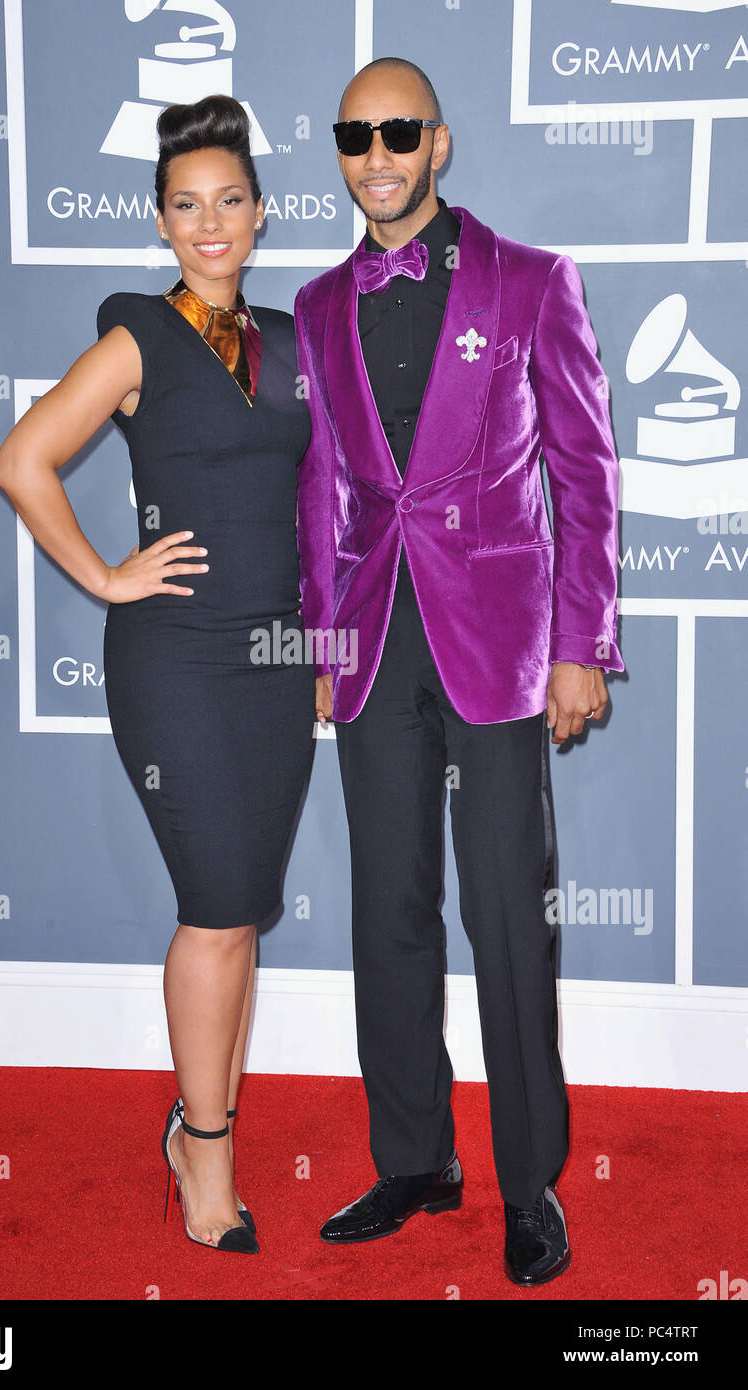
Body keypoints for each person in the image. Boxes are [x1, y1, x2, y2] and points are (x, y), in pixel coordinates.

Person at [294, 57, 623, 1285]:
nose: (374, 155)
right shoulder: (319, 304)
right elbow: (321, 489)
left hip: (499, 641)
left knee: (505, 917)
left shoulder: (530, 280)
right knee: (387, 910)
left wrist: (581, 642)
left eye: (397, 132)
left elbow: (584, 474)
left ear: (437, 143)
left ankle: (529, 1184)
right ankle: (412, 1159)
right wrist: (323, 643)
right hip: (374, 640)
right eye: (353, 135)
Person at [0, 95, 314, 1256]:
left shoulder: (292, 340)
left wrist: (320, 647)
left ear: (260, 213)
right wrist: (105, 574)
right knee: (216, 906)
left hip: (276, 659)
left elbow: (321, 507)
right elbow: (23, 459)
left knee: (243, 913)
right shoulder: (137, 336)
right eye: (186, 205)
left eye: (229, 200)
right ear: (163, 222)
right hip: (174, 659)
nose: (209, 222)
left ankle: (197, 1125)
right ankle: (205, 1153)